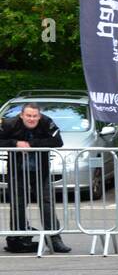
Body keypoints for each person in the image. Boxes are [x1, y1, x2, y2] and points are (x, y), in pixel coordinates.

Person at [0, 103, 69, 254]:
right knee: (18, 204)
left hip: (41, 171)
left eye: (35, 116)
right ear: (21, 115)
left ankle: (54, 239)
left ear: (39, 115)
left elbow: (58, 141)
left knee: (46, 203)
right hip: (17, 171)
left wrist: (31, 144)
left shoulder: (46, 122)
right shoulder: (9, 124)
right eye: (28, 116)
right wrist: (15, 143)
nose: (32, 119)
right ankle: (17, 239)